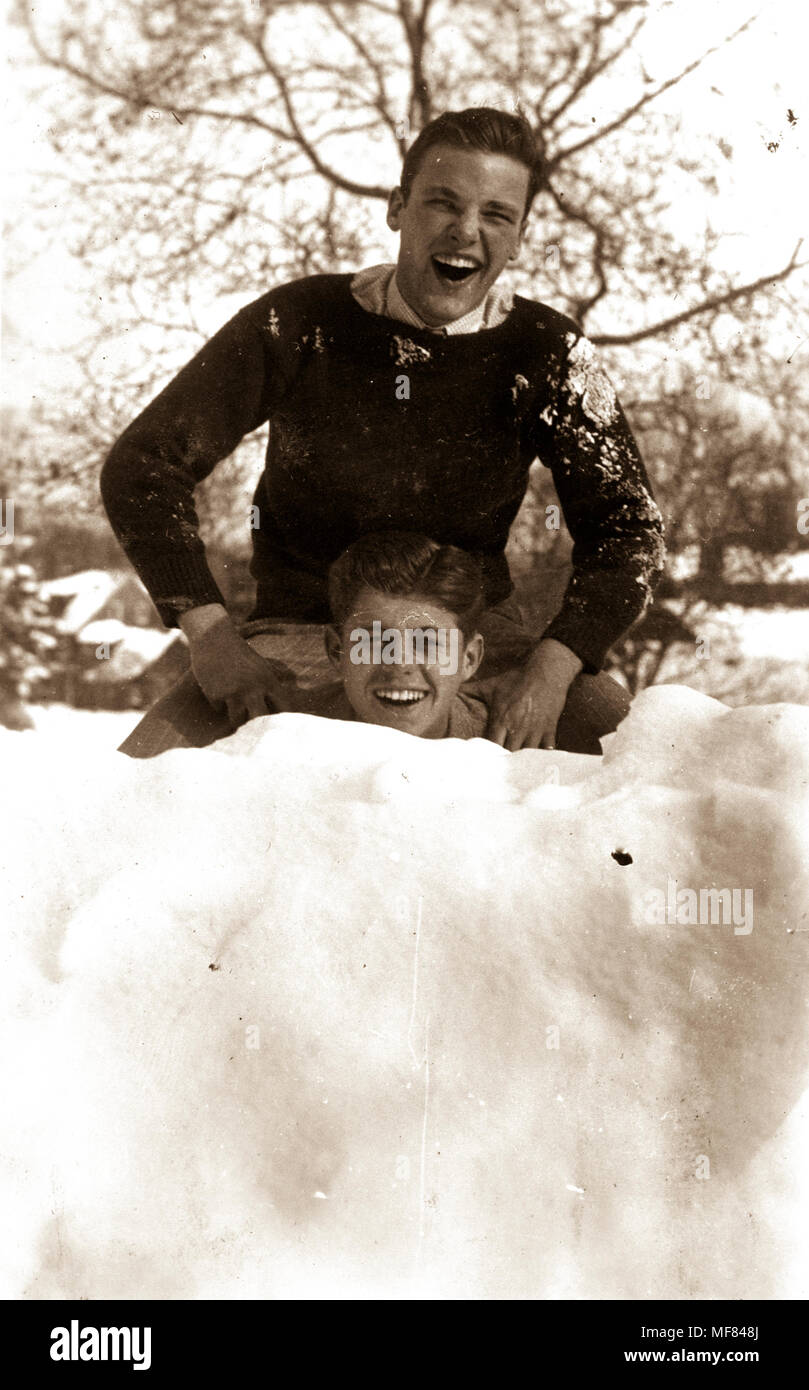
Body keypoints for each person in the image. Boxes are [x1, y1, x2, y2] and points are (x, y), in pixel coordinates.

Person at [102, 106, 665, 753]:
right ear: (397, 207)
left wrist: (554, 666)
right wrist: (210, 636)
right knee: (139, 784)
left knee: (633, 761)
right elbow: (143, 465)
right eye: (441, 204)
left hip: (473, 642)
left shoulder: (547, 351)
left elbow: (632, 527)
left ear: (518, 238)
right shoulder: (300, 321)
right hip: (303, 634)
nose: (464, 233)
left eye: (494, 215)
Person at [118, 531, 627, 757]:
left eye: (428, 644)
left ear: (471, 659)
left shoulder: (514, 743)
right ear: (337, 651)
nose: (400, 665)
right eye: (376, 642)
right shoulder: (278, 739)